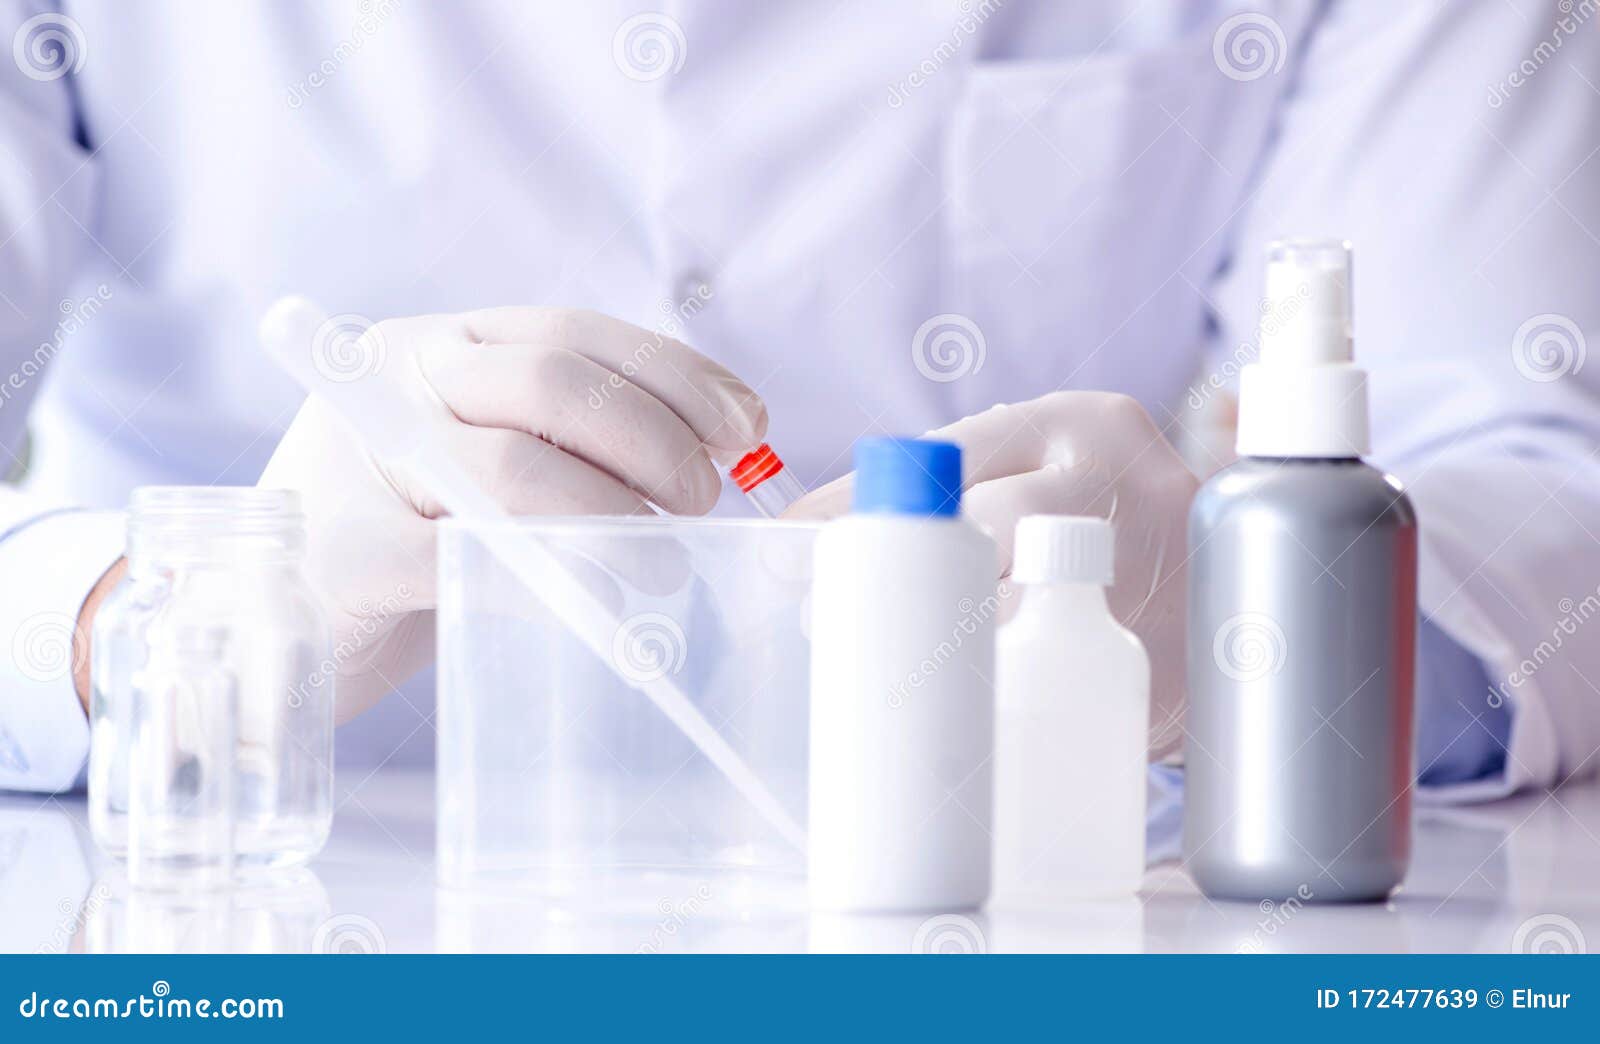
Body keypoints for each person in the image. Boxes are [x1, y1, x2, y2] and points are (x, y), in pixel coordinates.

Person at [0, 0, 1595, 804]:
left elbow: (1544, 466)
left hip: (1023, 915)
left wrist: (1269, 641)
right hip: (231, 900)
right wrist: (195, 606)